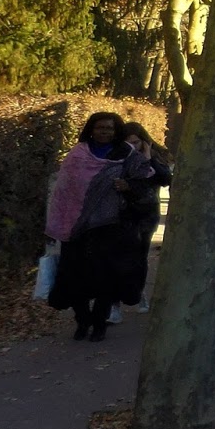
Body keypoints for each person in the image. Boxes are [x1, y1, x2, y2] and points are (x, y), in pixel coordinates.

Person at [45, 112, 154, 341]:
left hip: (110, 228)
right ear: (91, 130)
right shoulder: (78, 154)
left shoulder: (126, 154)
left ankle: (99, 323)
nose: (104, 132)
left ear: (116, 131)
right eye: (100, 128)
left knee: (106, 279)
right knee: (75, 278)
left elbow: (145, 182)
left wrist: (128, 186)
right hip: (76, 228)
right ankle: (82, 320)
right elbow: (63, 190)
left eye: (109, 128)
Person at [118, 121, 172, 312]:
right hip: (121, 212)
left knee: (139, 256)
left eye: (136, 142)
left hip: (145, 213)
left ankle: (138, 294)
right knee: (119, 256)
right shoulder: (118, 157)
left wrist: (148, 156)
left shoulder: (153, 156)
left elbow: (165, 179)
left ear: (144, 141)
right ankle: (115, 301)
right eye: (128, 143)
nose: (132, 147)